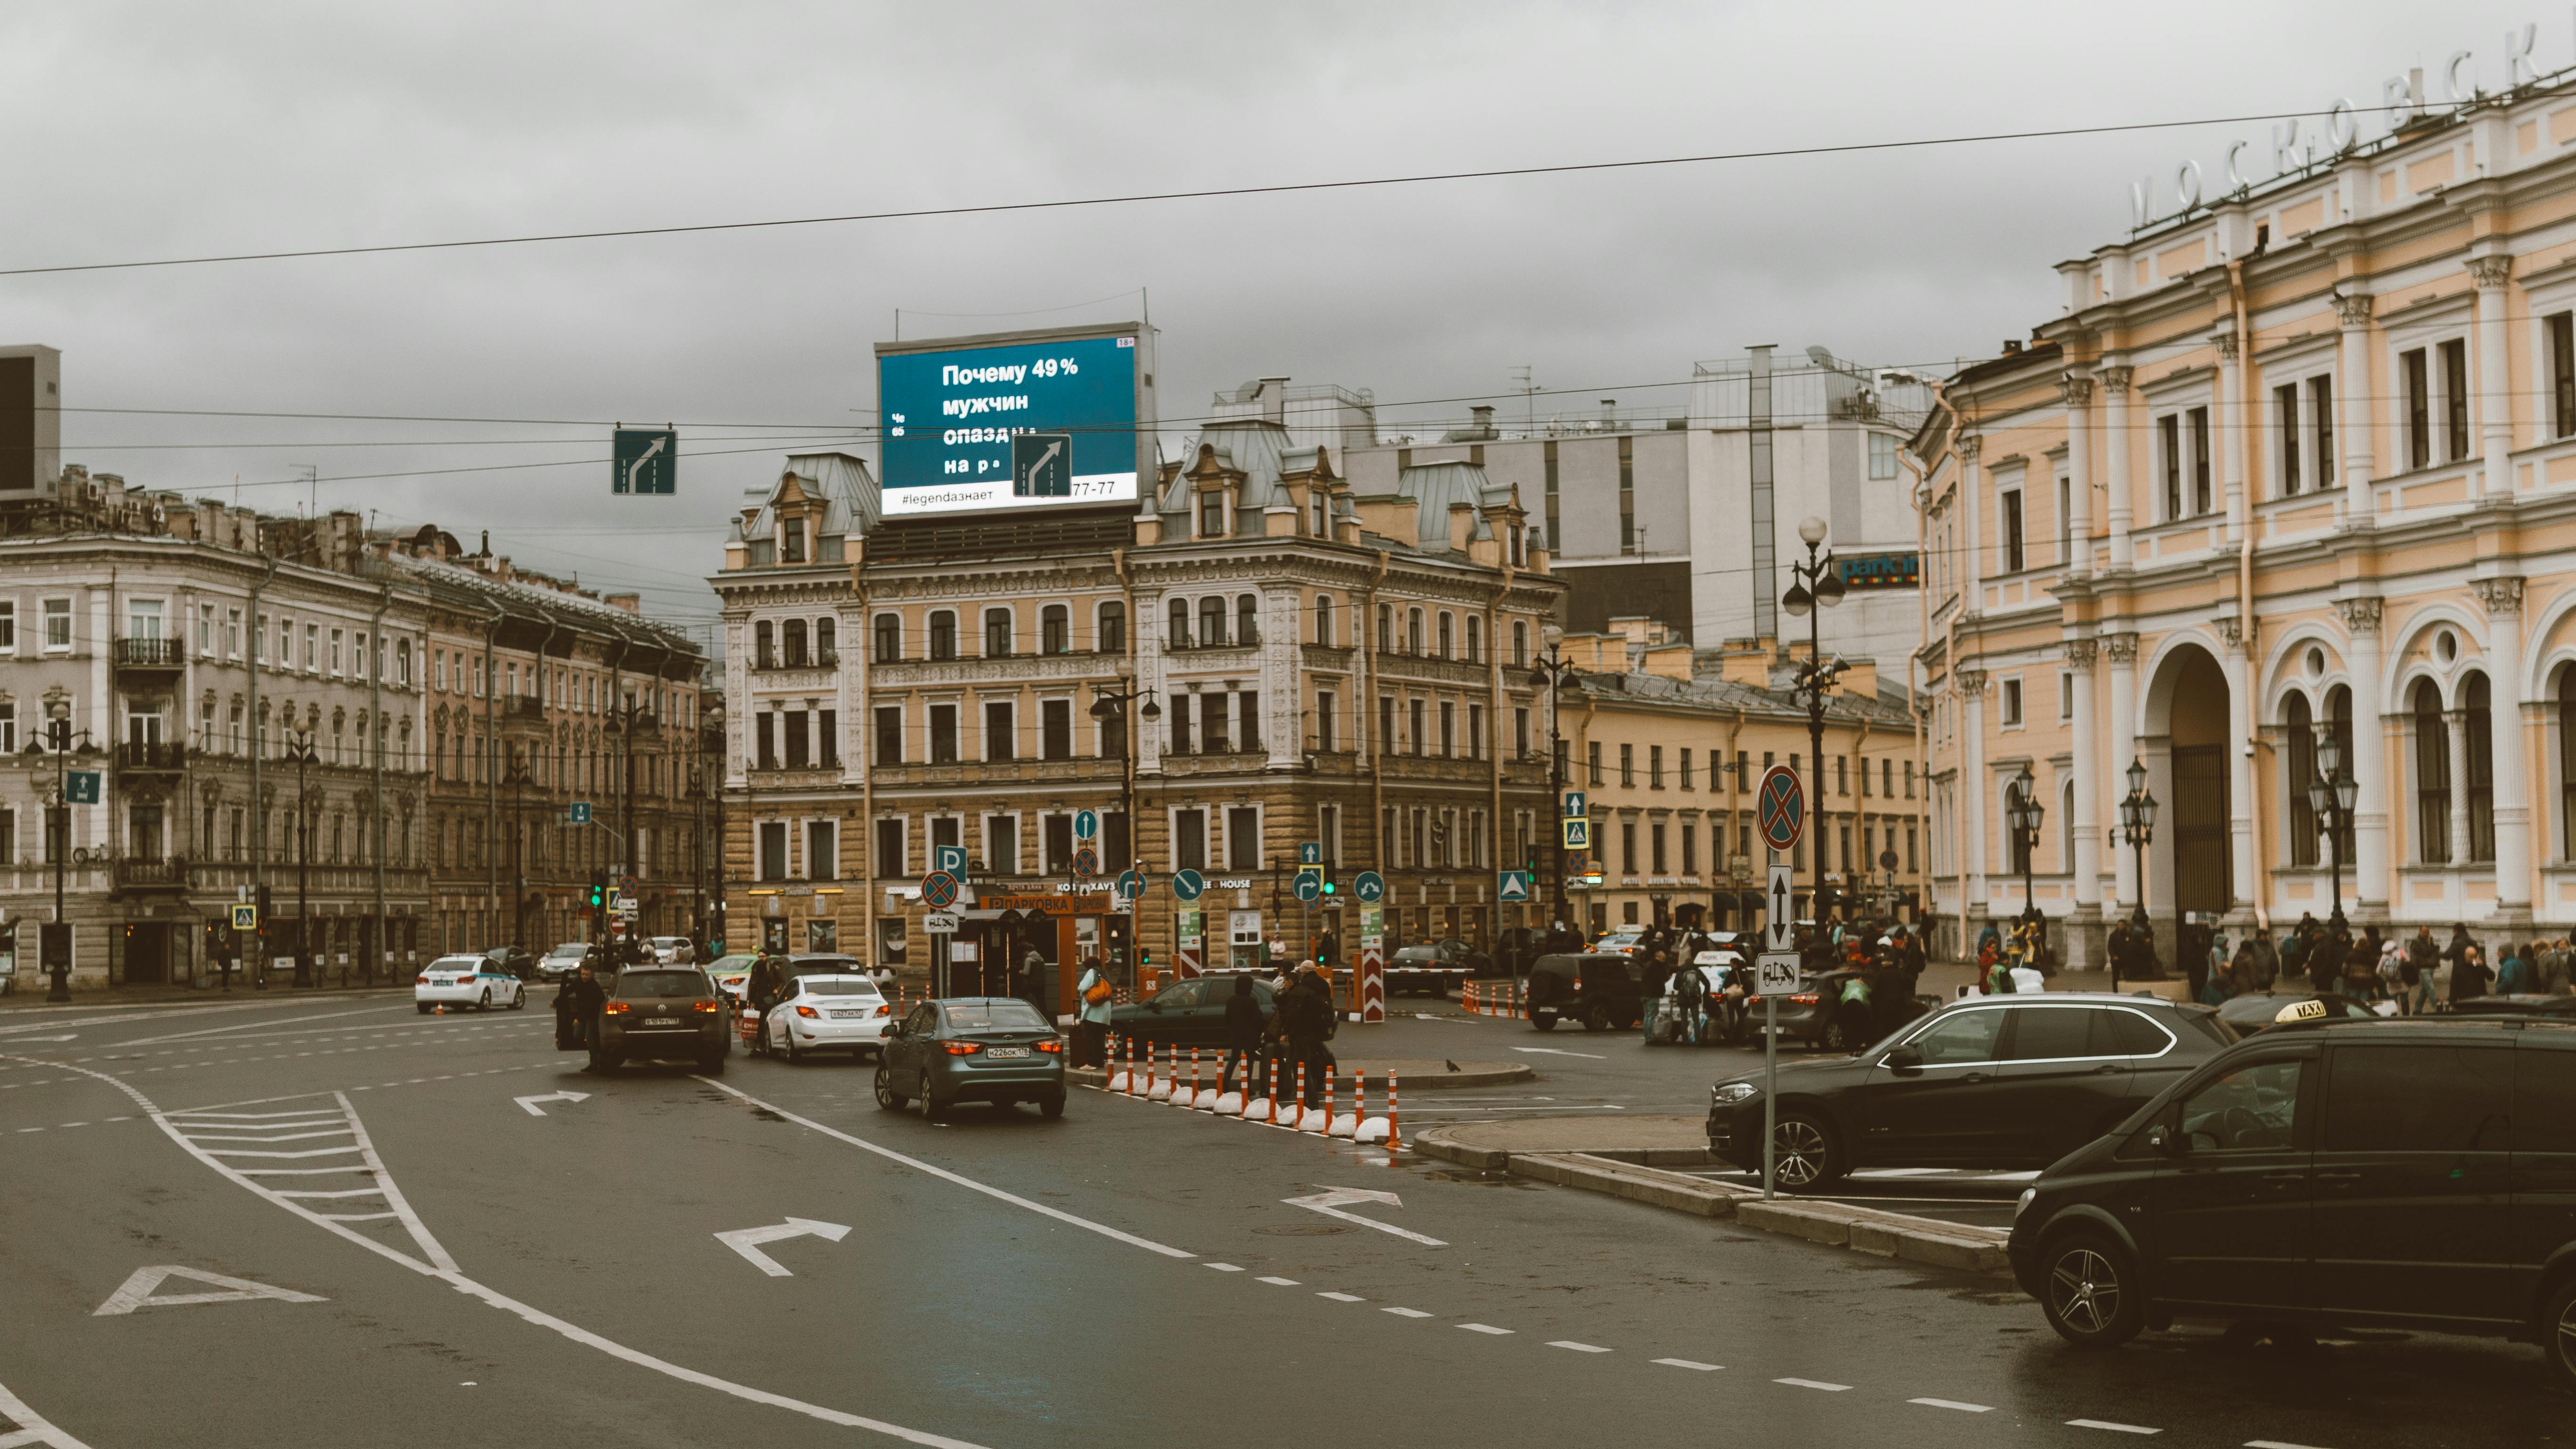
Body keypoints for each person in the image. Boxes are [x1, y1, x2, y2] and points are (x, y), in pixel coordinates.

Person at [1282, 960, 1336, 1108]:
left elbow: (1296, 1013)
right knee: (1312, 1057)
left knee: (1301, 1064)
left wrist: (1285, 1031)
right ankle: (1317, 1084)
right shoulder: (1323, 983)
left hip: (1303, 1031)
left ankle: (1307, 1098)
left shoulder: (1303, 987)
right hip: (1318, 1028)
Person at [1220, 974, 1268, 1095]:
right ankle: (1247, 1087)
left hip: (1236, 1034)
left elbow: (1227, 1019)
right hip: (1250, 1035)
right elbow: (1258, 1019)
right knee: (1250, 1061)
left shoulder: (1231, 1000)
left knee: (1234, 1059)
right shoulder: (1251, 1001)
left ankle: (1224, 1085)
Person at [1073, 955, 1113, 1069]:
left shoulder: (1092, 972)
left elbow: (1084, 986)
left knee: (1090, 1038)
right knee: (1100, 1038)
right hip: (1105, 1012)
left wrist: (1079, 988)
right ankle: (1100, 1062)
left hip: (1093, 1012)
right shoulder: (1104, 973)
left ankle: (1091, 1063)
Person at [571, 963, 609, 1071]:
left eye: (587, 975)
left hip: (593, 1016)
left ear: (592, 975)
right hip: (584, 1015)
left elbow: (592, 1007)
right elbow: (567, 991)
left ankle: (595, 1063)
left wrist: (579, 1019)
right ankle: (595, 1049)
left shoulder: (594, 987)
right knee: (578, 1034)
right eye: (583, 974)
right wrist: (556, 1002)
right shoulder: (579, 982)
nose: (584, 976)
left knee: (590, 1039)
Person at [2451, 941, 2494, 1005]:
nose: (2474, 958)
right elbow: (2454, 986)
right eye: (2471, 956)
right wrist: (2452, 1002)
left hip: (2480, 999)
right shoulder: (2458, 968)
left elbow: (2492, 977)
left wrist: (2484, 966)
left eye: (2476, 956)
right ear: (2465, 956)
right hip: (2465, 1000)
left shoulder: (2480, 966)